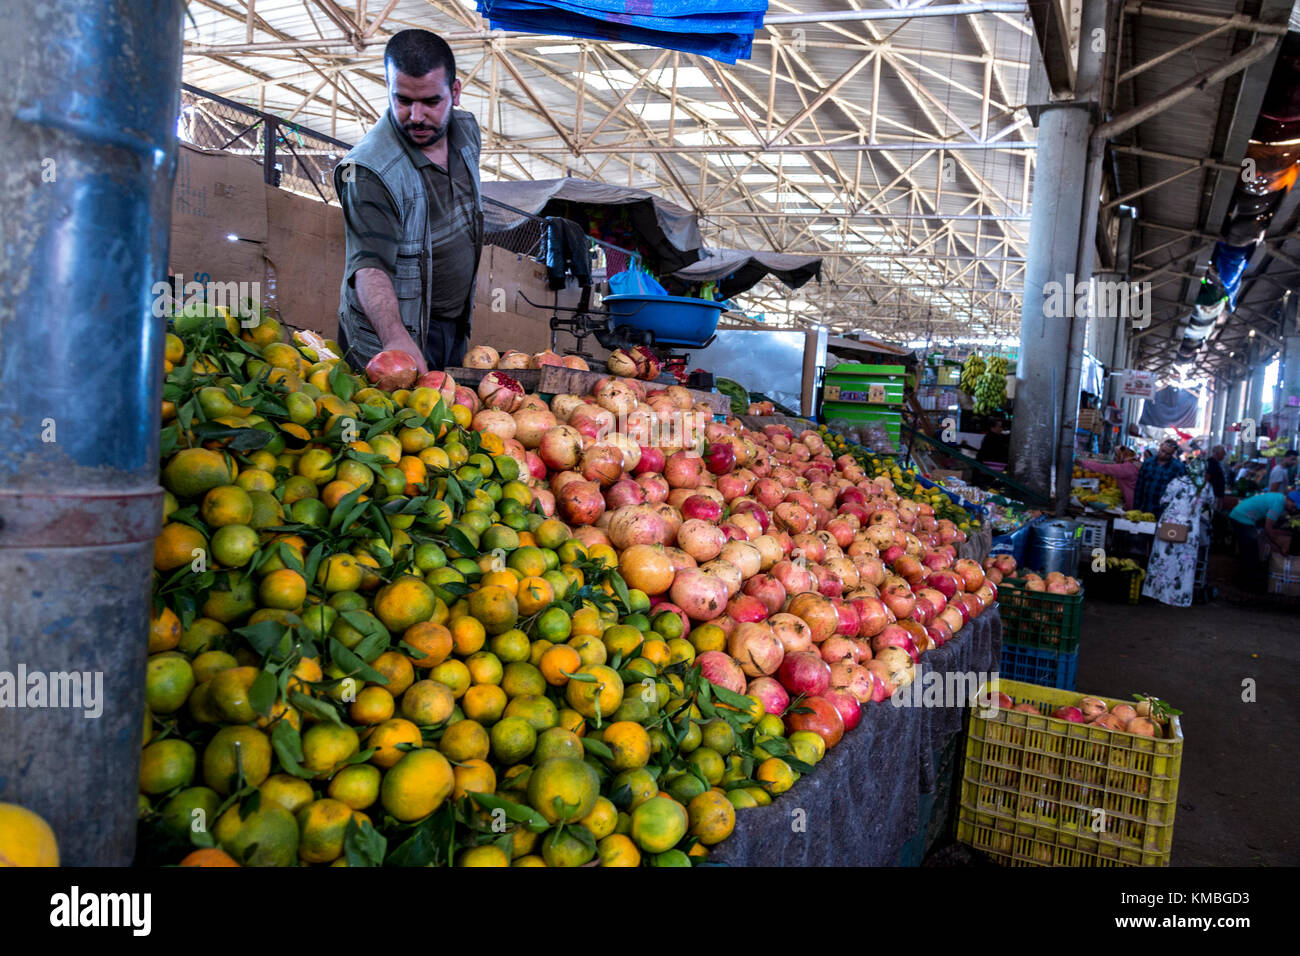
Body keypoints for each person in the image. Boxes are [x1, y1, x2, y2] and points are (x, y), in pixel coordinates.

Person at [334, 29, 483, 373]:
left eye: (431, 101)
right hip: (390, 336)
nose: (416, 116)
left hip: (452, 327)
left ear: (455, 92)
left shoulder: (467, 133)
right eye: (402, 100)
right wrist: (395, 339)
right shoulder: (369, 170)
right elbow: (368, 267)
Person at [1141, 459, 1215, 607]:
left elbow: (1164, 500)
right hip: (1189, 529)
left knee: (1162, 559)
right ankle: (1179, 598)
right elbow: (1210, 503)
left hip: (1170, 524)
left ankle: (1156, 593)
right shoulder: (1205, 487)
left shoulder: (1176, 482)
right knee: (1184, 564)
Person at [1228, 490, 1300, 590]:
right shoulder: (1279, 504)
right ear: (1289, 499)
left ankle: (1244, 581)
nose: (1293, 509)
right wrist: (1277, 546)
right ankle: (1248, 584)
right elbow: (1268, 528)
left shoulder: (1279, 498)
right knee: (1251, 553)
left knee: (1248, 551)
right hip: (1242, 518)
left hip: (1240, 515)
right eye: (1293, 506)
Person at [1134, 438, 1186, 518]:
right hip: (1145, 509)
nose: (1163, 454)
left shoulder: (1178, 467)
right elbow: (1139, 487)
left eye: (1168, 454)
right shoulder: (1148, 463)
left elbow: (1181, 492)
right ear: (1160, 447)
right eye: (1162, 451)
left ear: (1173, 453)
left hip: (1166, 513)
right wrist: (1136, 508)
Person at [972, 418, 1010, 488]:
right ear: (992, 428)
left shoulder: (997, 437)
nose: (1001, 429)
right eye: (999, 426)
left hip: (988, 472)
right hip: (988, 473)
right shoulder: (991, 439)